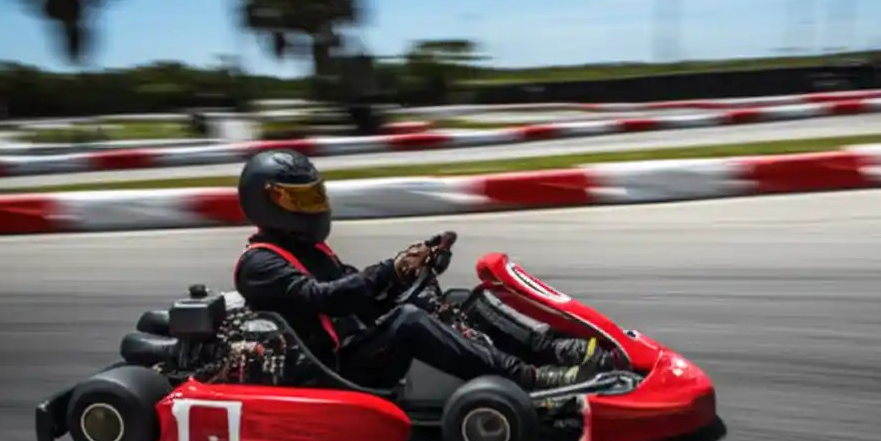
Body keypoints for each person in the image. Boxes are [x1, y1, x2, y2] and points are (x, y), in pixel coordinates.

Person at [231, 149, 622, 391]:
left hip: (358, 344)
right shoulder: (260, 264)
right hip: (334, 371)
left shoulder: (310, 249)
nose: (314, 207)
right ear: (267, 203)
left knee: (457, 299)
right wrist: (392, 271)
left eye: (316, 196)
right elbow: (324, 300)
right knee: (409, 322)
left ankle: (552, 351)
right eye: (301, 199)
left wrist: (410, 273)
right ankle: (528, 379)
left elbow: (358, 292)